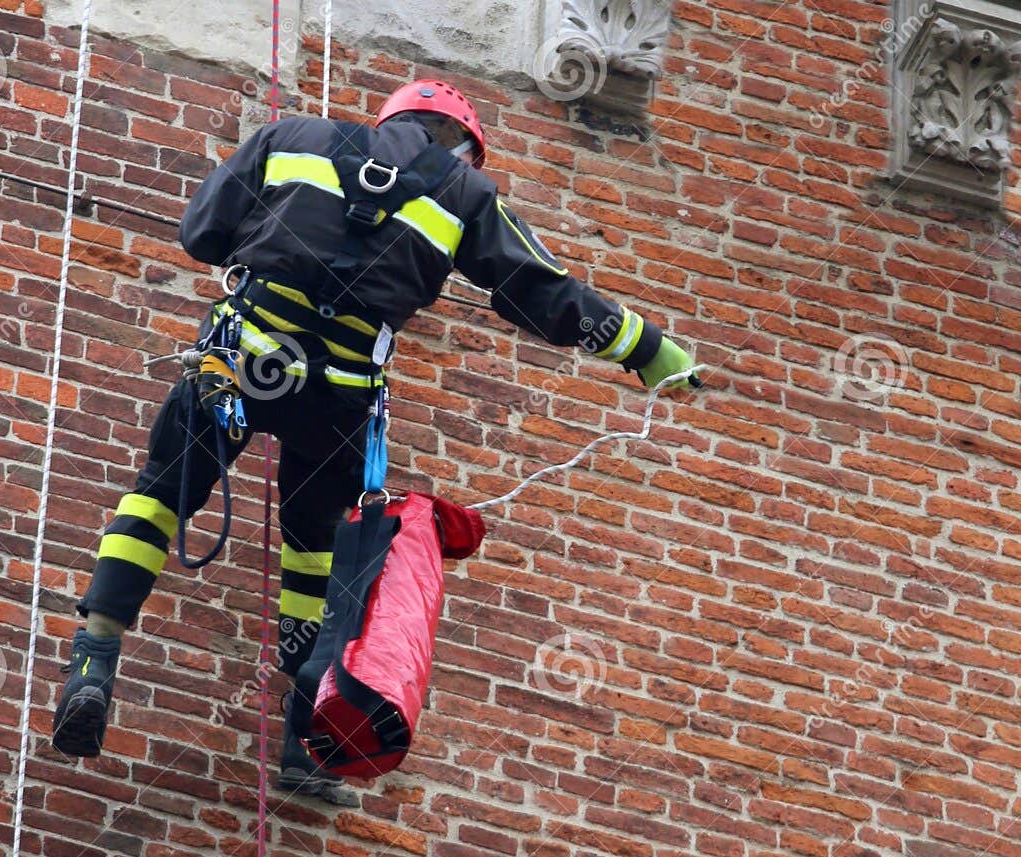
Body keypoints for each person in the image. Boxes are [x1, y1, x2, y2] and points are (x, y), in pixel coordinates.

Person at [52, 79, 698, 801]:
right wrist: (644, 348)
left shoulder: (291, 136)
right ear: (463, 148)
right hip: (338, 395)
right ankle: (302, 743)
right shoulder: (464, 194)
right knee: (313, 546)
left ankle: (94, 662)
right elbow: (538, 290)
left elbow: (200, 231)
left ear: (394, 118)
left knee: (163, 494)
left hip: (248, 358)